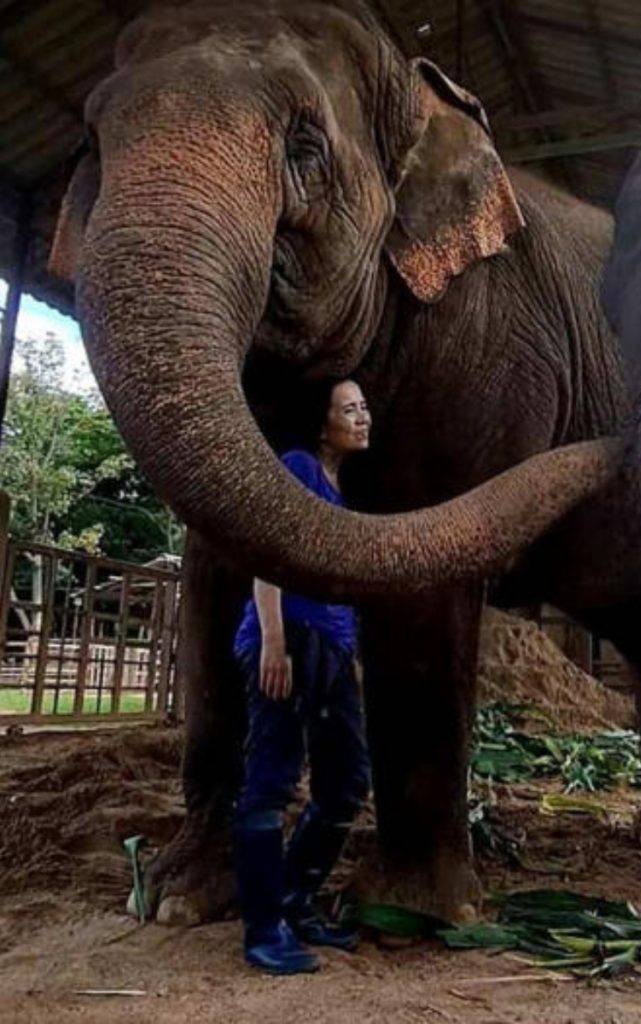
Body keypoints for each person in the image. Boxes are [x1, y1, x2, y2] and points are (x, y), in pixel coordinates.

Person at [232, 378, 373, 975]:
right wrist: (273, 640)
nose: (364, 416)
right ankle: (263, 931)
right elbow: (270, 548)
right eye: (350, 408)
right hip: (287, 641)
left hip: (332, 653)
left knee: (346, 781)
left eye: (365, 407)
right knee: (271, 781)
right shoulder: (297, 466)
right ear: (322, 424)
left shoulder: (343, 490)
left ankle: (295, 900)